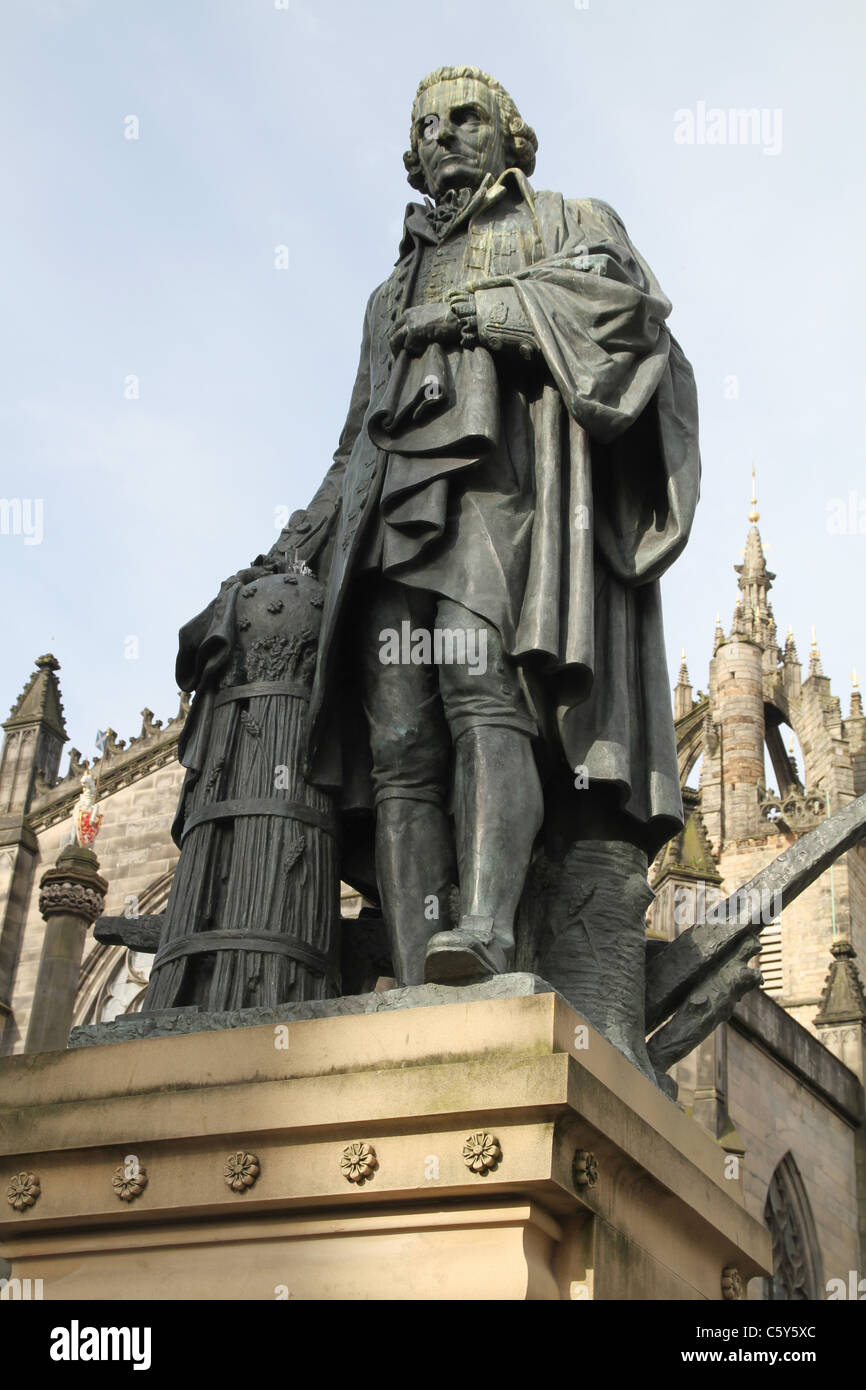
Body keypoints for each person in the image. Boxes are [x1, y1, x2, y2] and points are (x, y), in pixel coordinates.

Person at [250, 65, 701, 1012]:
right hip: (391, 522)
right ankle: (424, 966)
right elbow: (352, 443)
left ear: (509, 135)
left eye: (467, 119)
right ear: (413, 155)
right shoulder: (387, 293)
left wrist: (476, 315)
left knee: (482, 695)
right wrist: (290, 549)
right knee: (399, 743)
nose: (447, 136)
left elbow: (624, 317)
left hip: (504, 495)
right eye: (430, 127)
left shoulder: (570, 220)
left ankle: (489, 927)